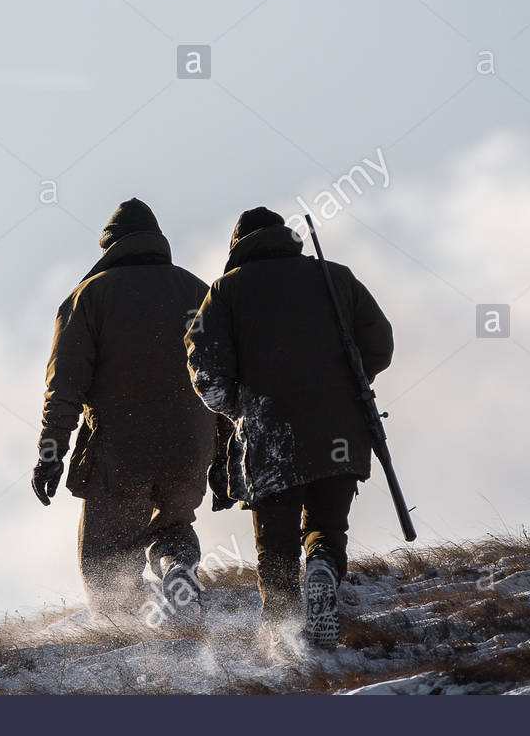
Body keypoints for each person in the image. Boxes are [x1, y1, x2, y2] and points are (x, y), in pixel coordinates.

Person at [185, 207, 393, 648]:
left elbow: (204, 372)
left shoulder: (225, 291)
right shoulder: (335, 277)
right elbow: (380, 344)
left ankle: (281, 636)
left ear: (238, 245)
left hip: (269, 435)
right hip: (341, 429)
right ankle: (320, 568)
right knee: (327, 524)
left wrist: (242, 408)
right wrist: (348, 385)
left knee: (275, 545)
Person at [32, 198, 216, 621]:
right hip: (189, 447)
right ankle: (176, 571)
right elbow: (221, 382)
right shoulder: (198, 292)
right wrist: (224, 460)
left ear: (110, 247)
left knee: (106, 555)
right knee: (172, 527)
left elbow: (63, 390)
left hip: (120, 452)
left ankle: (126, 638)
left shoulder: (88, 297)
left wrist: (50, 456)